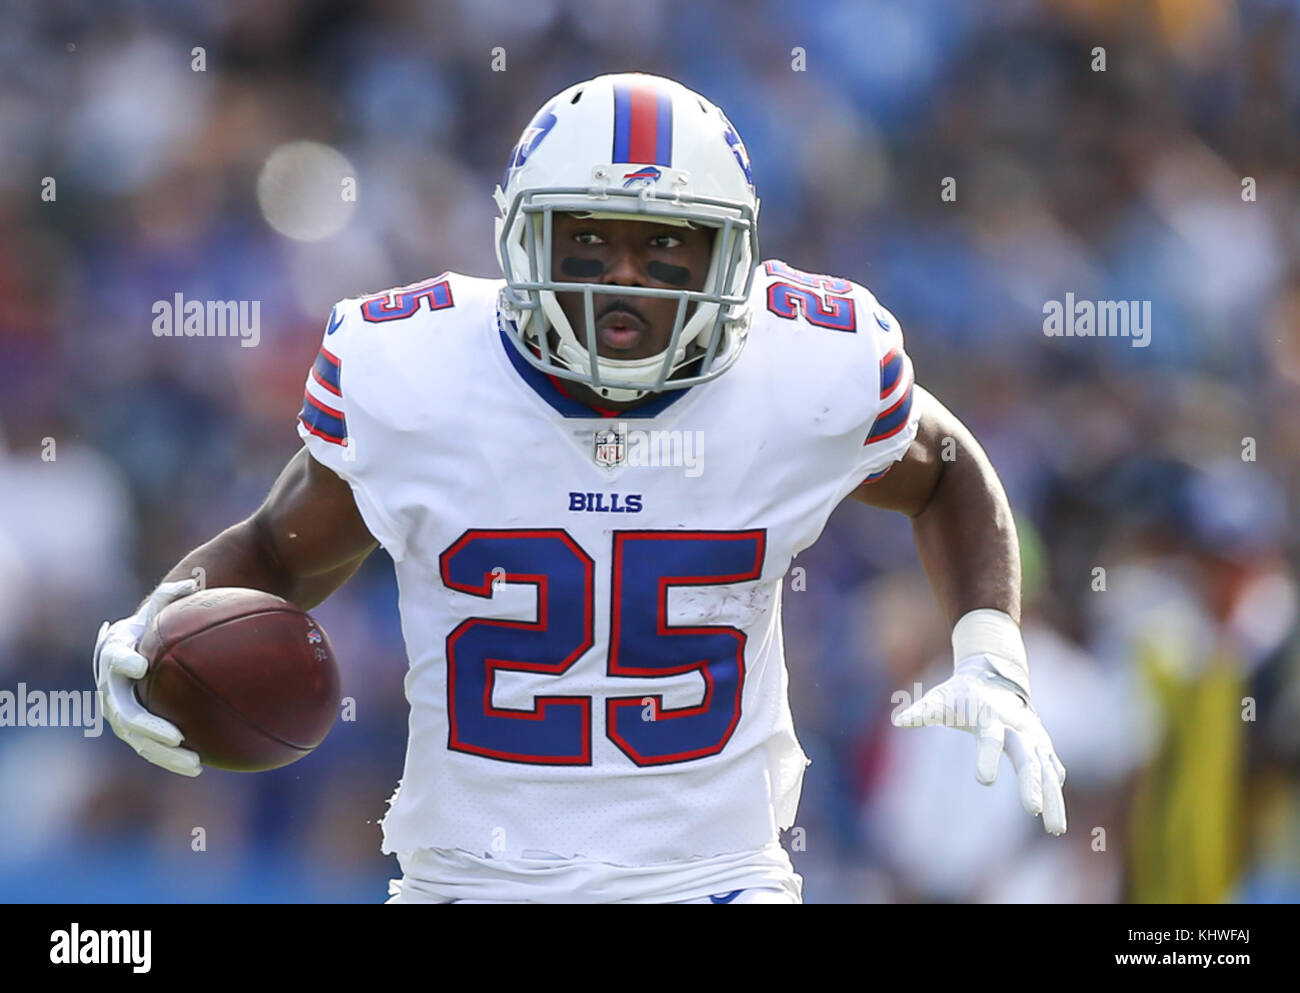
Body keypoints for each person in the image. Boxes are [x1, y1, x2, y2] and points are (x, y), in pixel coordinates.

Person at [93, 72, 1066, 904]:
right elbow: (274, 550)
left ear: (732, 256)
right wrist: (158, 624)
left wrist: (987, 649)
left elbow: (942, 472)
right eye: (589, 244)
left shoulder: (809, 367)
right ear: (522, 243)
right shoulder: (416, 375)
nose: (626, 281)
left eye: (667, 247)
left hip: (714, 881)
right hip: (467, 882)